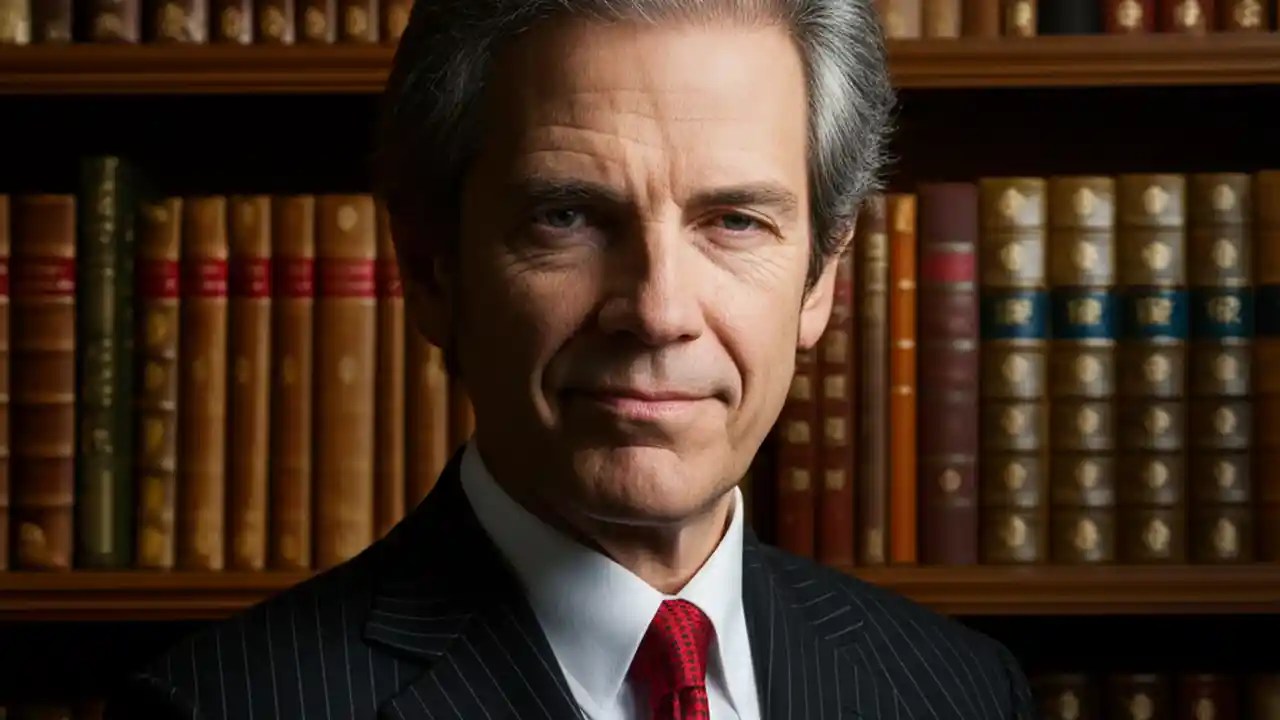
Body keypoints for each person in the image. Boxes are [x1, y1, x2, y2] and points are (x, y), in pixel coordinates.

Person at [107, 0, 1036, 718]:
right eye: (569, 217)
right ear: (433, 272)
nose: (658, 313)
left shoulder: (960, 689)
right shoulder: (223, 705)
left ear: (822, 281)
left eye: (735, 222)